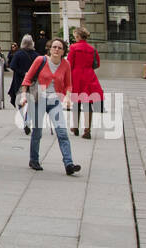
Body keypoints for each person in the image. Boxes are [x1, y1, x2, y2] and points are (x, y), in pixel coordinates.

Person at [19, 38, 81, 175]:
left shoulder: (66, 64)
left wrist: (69, 97)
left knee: (62, 132)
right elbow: (27, 78)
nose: (56, 50)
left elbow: (68, 84)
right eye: (54, 47)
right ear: (49, 48)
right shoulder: (41, 60)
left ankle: (69, 164)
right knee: (37, 132)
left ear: (64, 51)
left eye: (60, 48)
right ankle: (34, 160)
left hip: (55, 102)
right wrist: (24, 96)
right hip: (38, 99)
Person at [67, 27, 104, 139]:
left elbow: (69, 63)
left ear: (78, 36)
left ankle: (75, 127)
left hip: (76, 76)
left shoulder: (73, 47)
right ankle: (87, 130)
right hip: (89, 76)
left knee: (76, 103)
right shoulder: (92, 49)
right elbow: (97, 64)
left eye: (75, 36)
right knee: (87, 103)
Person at [6, 35, 36, 134]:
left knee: (20, 102)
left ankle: (24, 119)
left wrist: (23, 73)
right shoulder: (36, 55)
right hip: (32, 83)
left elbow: (12, 66)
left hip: (19, 81)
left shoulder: (18, 54)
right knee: (31, 103)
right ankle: (28, 120)